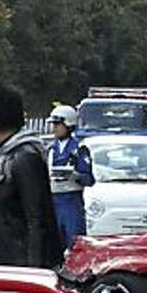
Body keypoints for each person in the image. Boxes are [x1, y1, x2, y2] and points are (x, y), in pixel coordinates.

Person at [0, 81, 61, 268]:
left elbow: (37, 220)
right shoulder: (8, 155)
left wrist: (34, 275)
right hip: (8, 264)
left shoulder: (25, 158)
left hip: (22, 271)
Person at [45, 104, 95, 246]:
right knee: (53, 242)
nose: (54, 128)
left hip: (71, 200)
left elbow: (89, 179)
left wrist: (75, 176)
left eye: (57, 124)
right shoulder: (50, 149)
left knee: (74, 241)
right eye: (53, 124)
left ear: (68, 124)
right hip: (53, 199)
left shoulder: (79, 149)